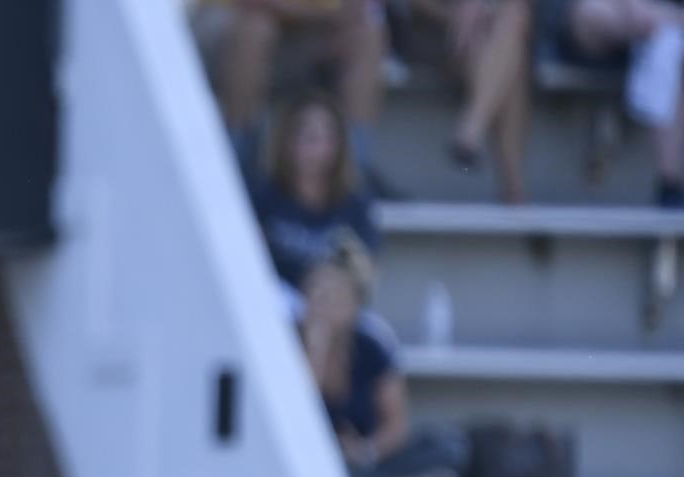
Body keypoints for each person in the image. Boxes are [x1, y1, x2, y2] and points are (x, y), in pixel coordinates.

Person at [298, 234, 468, 477]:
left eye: (333, 294)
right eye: (316, 290)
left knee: (450, 446)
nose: (322, 302)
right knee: (326, 470)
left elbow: (396, 425)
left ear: (355, 301)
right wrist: (316, 347)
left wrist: (366, 450)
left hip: (366, 457)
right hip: (316, 457)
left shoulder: (373, 342)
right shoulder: (290, 341)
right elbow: (298, 416)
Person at [199, 0, 391, 186]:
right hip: (228, 17)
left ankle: (354, 173)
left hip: (303, 24)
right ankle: (237, 161)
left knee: (367, 34)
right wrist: (322, 12)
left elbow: (355, 8)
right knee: (256, 28)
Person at [392, 0, 535, 203]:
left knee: (513, 18)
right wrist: (455, 15)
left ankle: (471, 128)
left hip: (487, 31)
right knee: (509, 55)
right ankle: (514, 189)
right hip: (431, 28)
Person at [547, 0, 684, 206]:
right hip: (600, 18)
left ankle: (669, 186)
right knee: (597, 13)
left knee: (668, 41)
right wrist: (636, 9)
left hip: (662, 24)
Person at [253, 92, 381, 295]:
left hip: (332, 306)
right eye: (308, 136)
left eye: (327, 137)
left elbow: (366, 274)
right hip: (276, 302)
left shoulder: (353, 204)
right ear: (287, 141)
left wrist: (328, 278)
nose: (317, 147)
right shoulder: (263, 199)